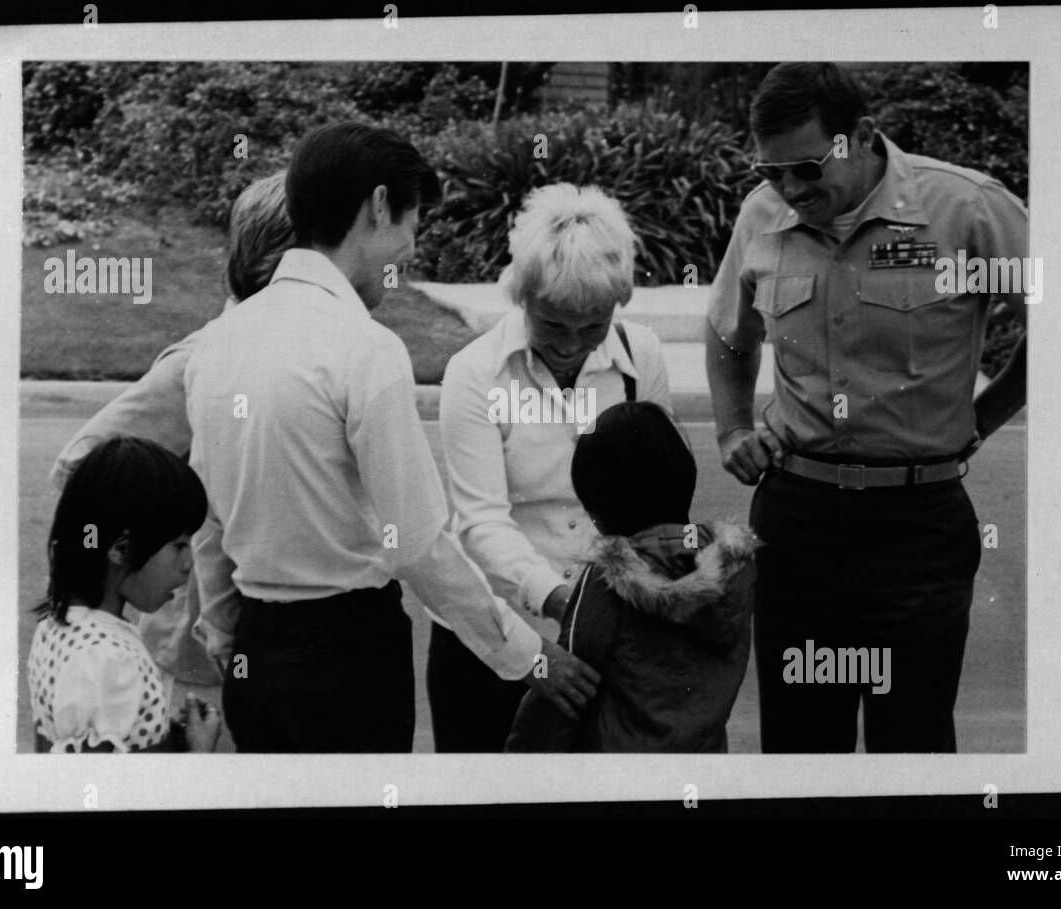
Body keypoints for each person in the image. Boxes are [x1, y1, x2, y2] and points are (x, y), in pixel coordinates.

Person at [185, 122, 600, 753]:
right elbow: (417, 546)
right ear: (379, 206)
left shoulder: (215, 345)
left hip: (257, 655)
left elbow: (208, 525)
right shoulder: (368, 351)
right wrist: (527, 657)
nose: (411, 250)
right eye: (413, 224)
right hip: (350, 659)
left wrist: (224, 637)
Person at [705, 62, 1028, 753]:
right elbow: (730, 331)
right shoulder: (763, 219)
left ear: (862, 136)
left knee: (911, 743)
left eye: (807, 169)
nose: (790, 189)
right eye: (771, 173)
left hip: (919, 529)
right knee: (799, 745)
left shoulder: (966, 209)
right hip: (797, 523)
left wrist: (988, 412)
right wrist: (732, 426)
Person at [435, 182, 675, 751]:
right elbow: (481, 524)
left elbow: (661, 501)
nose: (571, 346)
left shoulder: (643, 358)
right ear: (521, 298)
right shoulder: (473, 374)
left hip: (608, 636)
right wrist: (566, 605)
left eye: (592, 327)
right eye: (553, 325)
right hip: (496, 636)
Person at [50, 171, 295, 698]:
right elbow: (82, 464)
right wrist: (171, 531)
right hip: (195, 653)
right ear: (277, 263)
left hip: (270, 637)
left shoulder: (291, 360)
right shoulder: (198, 363)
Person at [505, 402, 756, 752]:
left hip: (618, 775)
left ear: (597, 511)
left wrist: (521, 762)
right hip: (704, 760)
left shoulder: (605, 581)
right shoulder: (736, 569)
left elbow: (567, 688)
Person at [27, 437, 223, 753]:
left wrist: (165, 736)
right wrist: (197, 754)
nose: (189, 564)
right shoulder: (107, 657)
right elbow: (105, 787)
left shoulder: (56, 626)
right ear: (121, 549)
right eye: (178, 546)